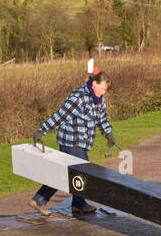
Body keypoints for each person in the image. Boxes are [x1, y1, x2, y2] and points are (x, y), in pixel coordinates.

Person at [30, 70, 118, 217]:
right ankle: (40, 199)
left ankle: (78, 204)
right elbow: (60, 116)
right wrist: (42, 130)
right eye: (102, 89)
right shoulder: (78, 97)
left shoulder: (98, 99)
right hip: (70, 142)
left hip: (82, 143)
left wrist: (108, 134)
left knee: (74, 173)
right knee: (79, 173)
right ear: (94, 83)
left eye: (105, 90)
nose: (103, 93)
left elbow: (101, 119)